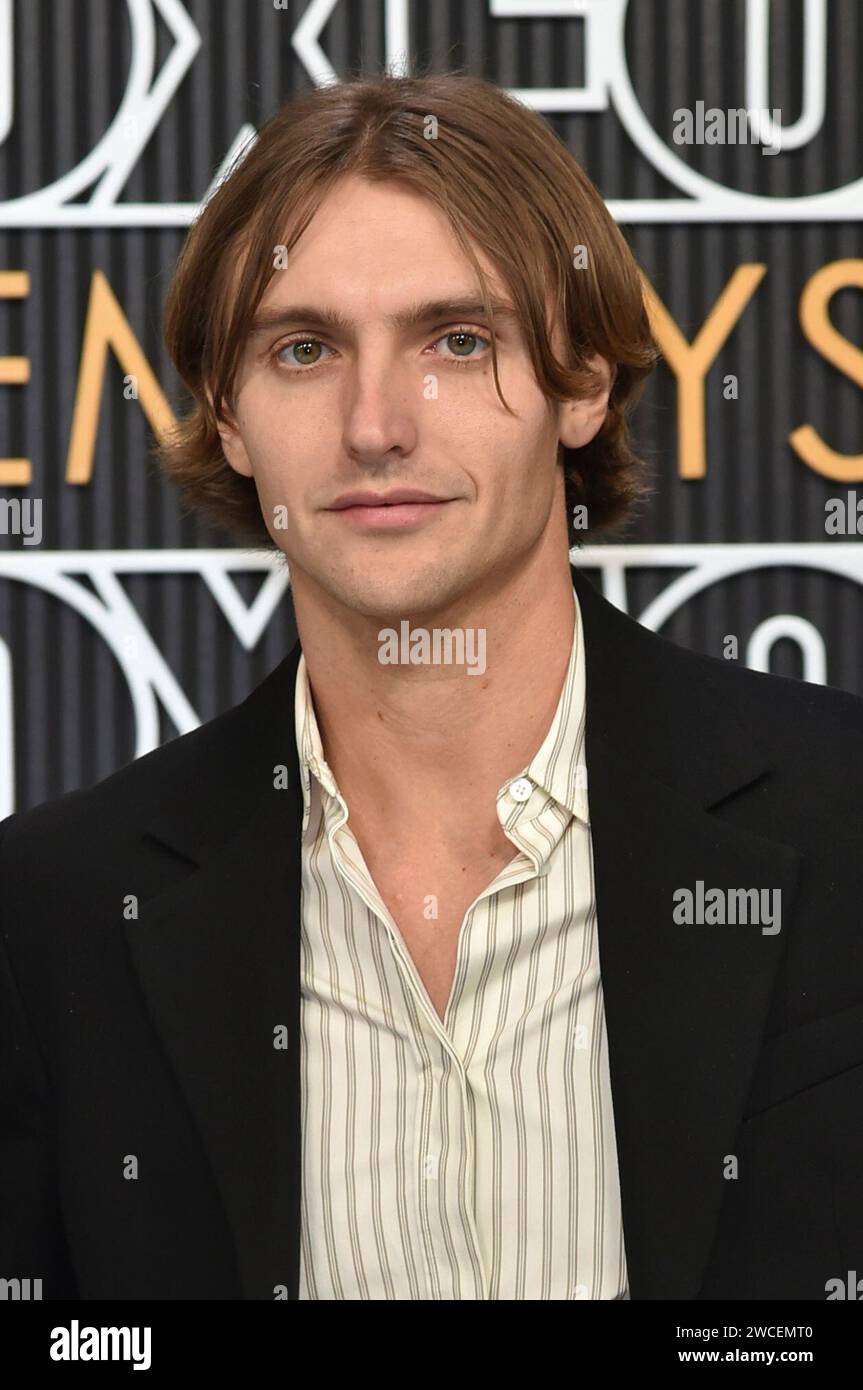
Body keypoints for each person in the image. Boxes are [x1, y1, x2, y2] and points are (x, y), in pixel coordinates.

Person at [1, 71, 862, 1303]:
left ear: (581, 382)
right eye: (303, 350)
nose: (374, 426)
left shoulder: (841, 819)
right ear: (229, 417)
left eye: (456, 340)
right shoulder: (56, 914)